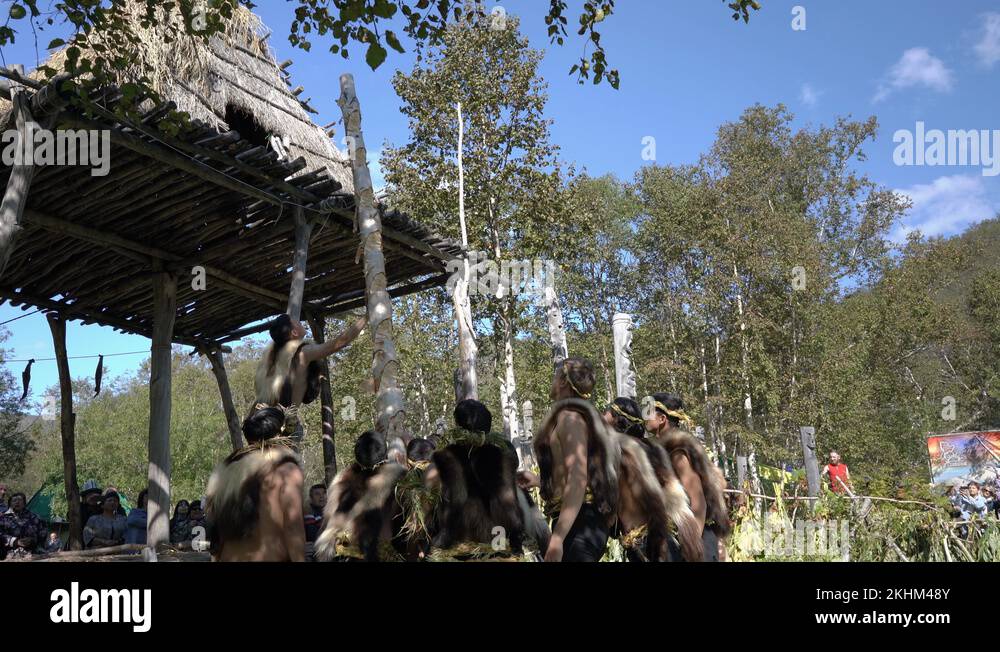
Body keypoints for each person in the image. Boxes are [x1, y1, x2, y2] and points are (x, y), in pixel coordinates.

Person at [423, 400, 549, 561]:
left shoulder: (440, 463)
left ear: (457, 426)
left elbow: (426, 513)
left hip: (457, 551)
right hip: (499, 548)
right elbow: (512, 510)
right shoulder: (504, 460)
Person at [532, 358, 618, 562]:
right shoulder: (580, 418)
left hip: (582, 524)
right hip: (579, 522)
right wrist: (537, 481)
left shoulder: (570, 419)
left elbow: (578, 479)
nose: (552, 381)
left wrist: (557, 539)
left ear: (562, 381)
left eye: (555, 376)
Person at [602, 397, 701, 562]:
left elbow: (609, 512)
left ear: (616, 419)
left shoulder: (618, 451)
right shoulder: (651, 448)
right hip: (665, 541)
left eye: (606, 412)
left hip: (648, 546)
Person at [205, 406, 305, 561]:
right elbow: (293, 527)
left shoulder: (227, 468)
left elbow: (214, 524)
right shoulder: (287, 470)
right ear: (280, 434)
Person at [645, 392, 731, 562]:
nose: (644, 417)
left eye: (648, 412)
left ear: (662, 419)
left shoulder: (678, 453)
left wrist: (691, 548)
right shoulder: (665, 451)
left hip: (696, 544)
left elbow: (699, 504)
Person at [251, 313, 367, 439]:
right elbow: (341, 341)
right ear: (294, 333)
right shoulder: (302, 353)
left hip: (261, 421)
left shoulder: (274, 357)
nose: (299, 321)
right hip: (280, 426)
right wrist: (367, 317)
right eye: (295, 321)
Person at [314, 430, 407, 562]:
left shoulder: (342, 480)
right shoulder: (400, 481)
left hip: (346, 551)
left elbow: (329, 523)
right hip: (381, 552)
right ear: (384, 453)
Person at [0, 492, 47, 559]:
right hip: (8, 554)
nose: (17, 502)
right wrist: (14, 541)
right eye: (14, 500)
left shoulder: (34, 517)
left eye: (20, 500)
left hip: (33, 554)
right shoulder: (3, 518)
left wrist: (33, 540)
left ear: (24, 503)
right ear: (10, 504)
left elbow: (43, 532)